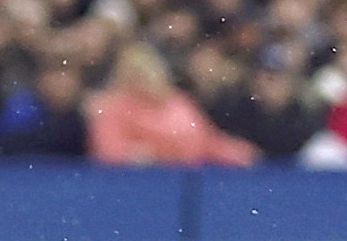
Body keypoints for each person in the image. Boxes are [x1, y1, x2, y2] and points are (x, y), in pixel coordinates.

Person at [86, 44, 258, 168]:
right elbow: (109, 152)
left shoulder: (179, 103)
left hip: (186, 185)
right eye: (136, 74)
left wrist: (238, 153)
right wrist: (146, 155)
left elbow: (205, 140)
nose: (145, 80)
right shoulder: (115, 108)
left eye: (148, 72)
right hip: (139, 188)